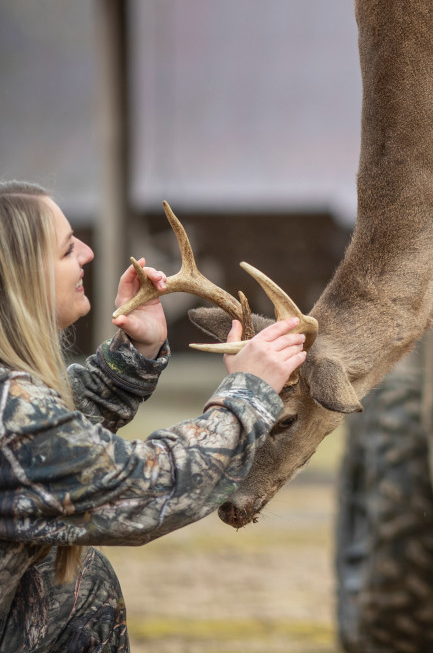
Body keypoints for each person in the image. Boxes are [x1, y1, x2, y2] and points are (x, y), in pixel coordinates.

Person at [0, 180, 307, 652]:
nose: (87, 252)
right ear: (20, 277)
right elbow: (145, 489)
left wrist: (132, 359)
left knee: (72, 587)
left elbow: (51, 445)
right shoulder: (10, 414)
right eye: (66, 250)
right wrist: (249, 392)